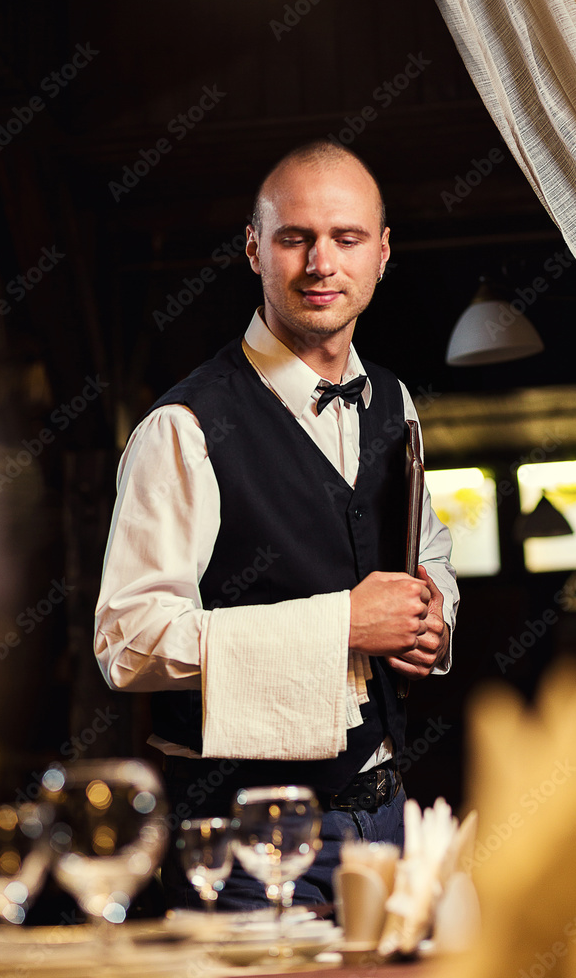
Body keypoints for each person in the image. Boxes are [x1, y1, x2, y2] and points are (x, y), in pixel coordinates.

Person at [94, 140, 459, 910]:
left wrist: (434, 618)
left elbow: (427, 555)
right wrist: (342, 626)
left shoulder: (394, 401)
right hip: (243, 843)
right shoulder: (185, 426)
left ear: (382, 253)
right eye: (295, 238)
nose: (320, 263)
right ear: (254, 249)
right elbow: (125, 642)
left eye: (346, 238)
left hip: (390, 820)